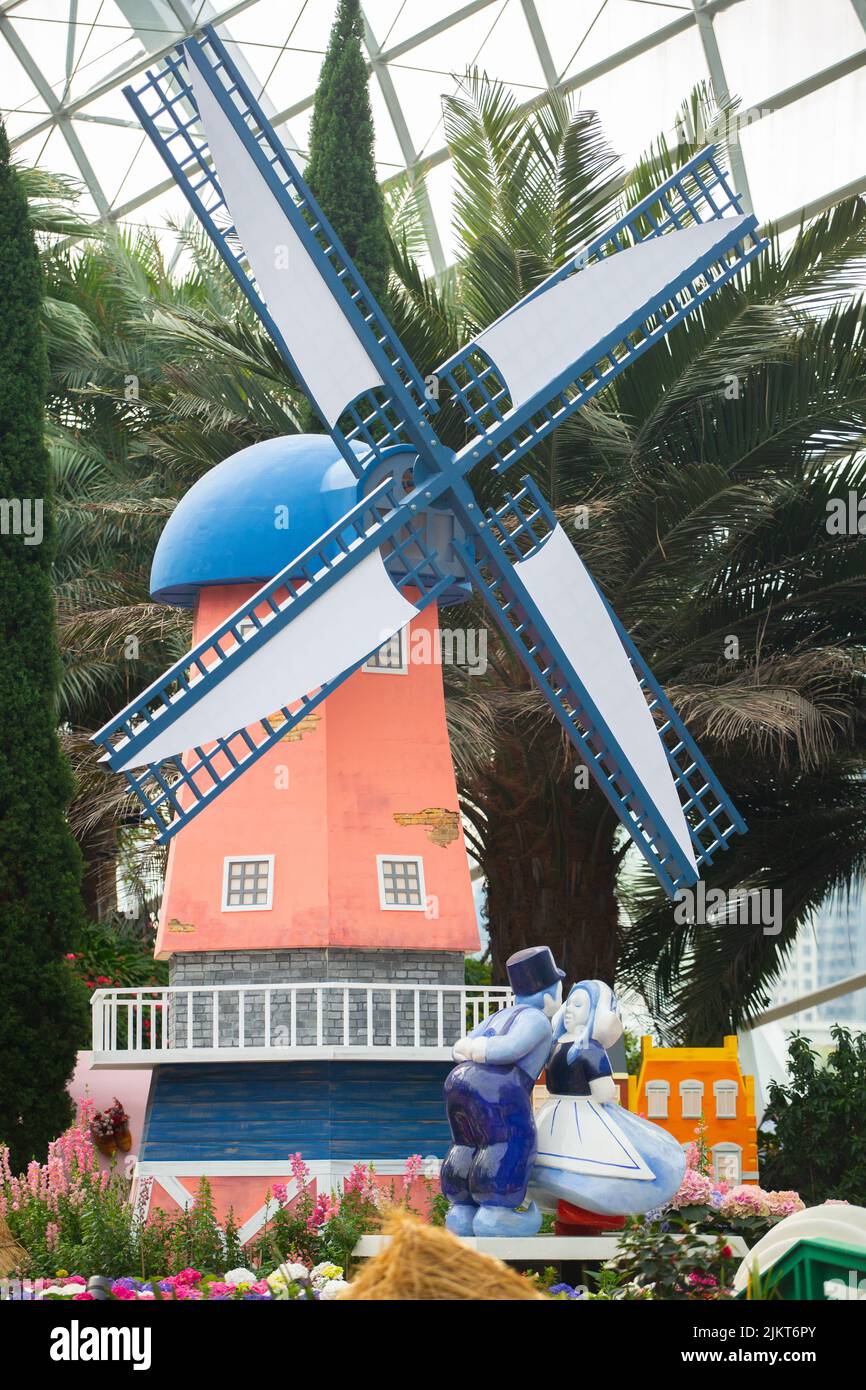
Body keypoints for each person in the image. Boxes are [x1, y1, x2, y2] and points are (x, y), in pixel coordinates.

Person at [530, 980, 685, 1215]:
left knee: (550, 1160)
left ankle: (580, 1210)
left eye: (578, 1005)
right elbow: (605, 1091)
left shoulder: (559, 1045)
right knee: (590, 1162)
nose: (570, 1010)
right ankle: (578, 1207)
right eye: (570, 1004)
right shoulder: (585, 1047)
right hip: (577, 1115)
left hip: (556, 1112)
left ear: (594, 1012)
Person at [440, 945, 564, 1236]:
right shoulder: (536, 1019)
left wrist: (471, 1050)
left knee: (466, 1143)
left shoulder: (499, 1016)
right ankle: (496, 1212)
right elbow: (511, 1048)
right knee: (509, 1141)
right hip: (499, 1088)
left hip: (459, 1081)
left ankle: (461, 1209)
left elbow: (461, 1046)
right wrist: (484, 1051)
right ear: (548, 994)